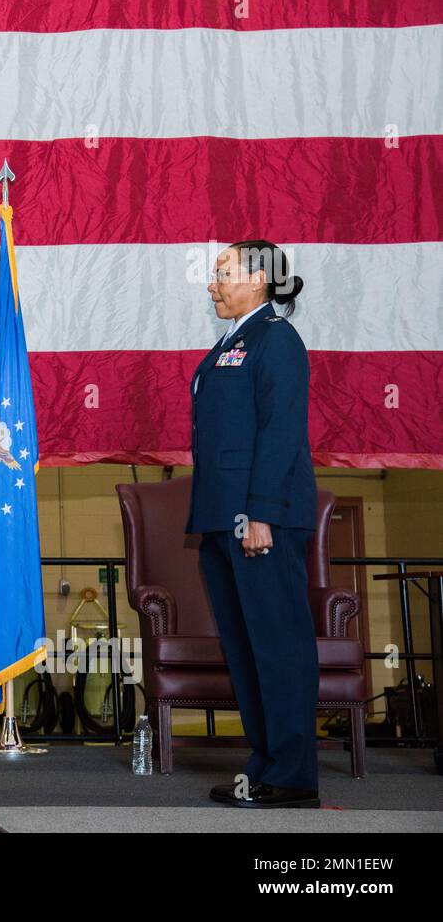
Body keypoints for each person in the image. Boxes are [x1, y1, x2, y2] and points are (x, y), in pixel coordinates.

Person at [187, 239, 319, 809]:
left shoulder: (276, 340)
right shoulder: (232, 342)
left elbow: (281, 433)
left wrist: (261, 513)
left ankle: (292, 775)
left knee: (278, 645)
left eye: (223, 272)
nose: (212, 282)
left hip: (260, 518)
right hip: (222, 517)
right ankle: (264, 765)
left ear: (261, 279)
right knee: (244, 648)